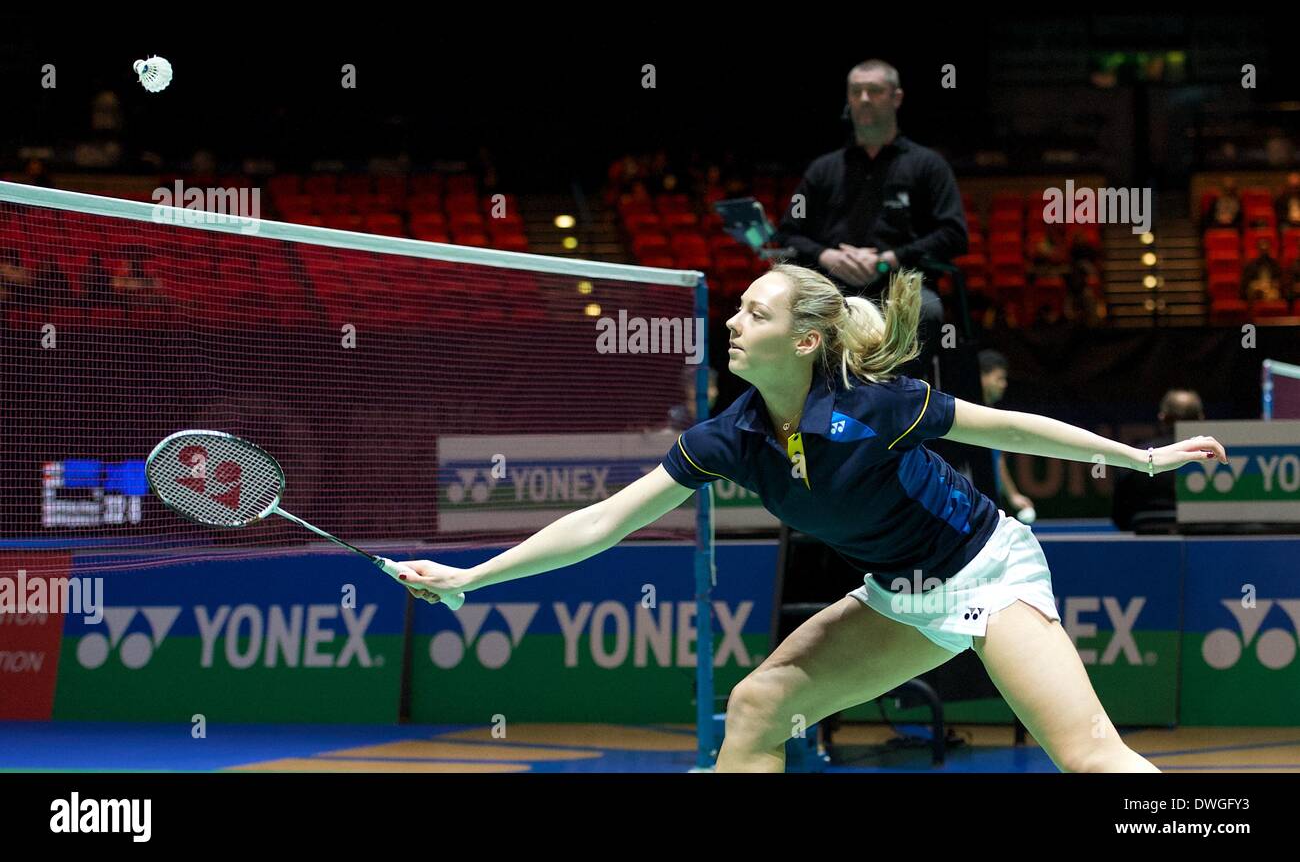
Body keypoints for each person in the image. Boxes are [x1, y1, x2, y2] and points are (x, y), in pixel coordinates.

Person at [390, 264, 1227, 773]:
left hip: (986, 572)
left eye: (756, 312)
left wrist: (1145, 459)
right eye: (739, 308)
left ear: (803, 342)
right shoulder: (731, 438)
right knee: (758, 707)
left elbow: (1010, 427)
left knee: (1087, 756)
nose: (733, 320)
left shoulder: (877, 404)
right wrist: (474, 576)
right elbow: (604, 521)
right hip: (896, 596)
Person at [774, 59, 968, 378]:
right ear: (848, 99)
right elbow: (787, 234)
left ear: (897, 98)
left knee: (928, 311)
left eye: (875, 91)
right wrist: (828, 255)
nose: (864, 98)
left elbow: (954, 234)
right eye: (856, 91)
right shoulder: (823, 170)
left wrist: (890, 259)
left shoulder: (928, 166)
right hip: (830, 285)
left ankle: (907, 410)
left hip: (901, 284)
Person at [1111, 389, 1205, 532]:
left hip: (1145, 545)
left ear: (1163, 418)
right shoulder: (1217, 459)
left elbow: (1120, 516)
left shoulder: (1137, 458)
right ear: (1200, 418)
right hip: (1205, 545)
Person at [978, 350, 1035, 521]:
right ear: (982, 377)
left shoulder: (992, 415)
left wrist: (1013, 495)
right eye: (999, 378)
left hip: (989, 502)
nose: (1004, 384)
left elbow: (997, 459)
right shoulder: (967, 416)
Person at [1240, 237, 1284, 302]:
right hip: (1256, 291)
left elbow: (1280, 281)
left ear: (1269, 250)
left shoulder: (1275, 265)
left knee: (1273, 294)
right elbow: (1245, 283)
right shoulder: (1251, 265)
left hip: (1271, 290)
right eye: (1262, 250)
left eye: (1266, 250)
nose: (1264, 252)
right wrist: (1256, 285)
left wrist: (1271, 285)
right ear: (1258, 250)